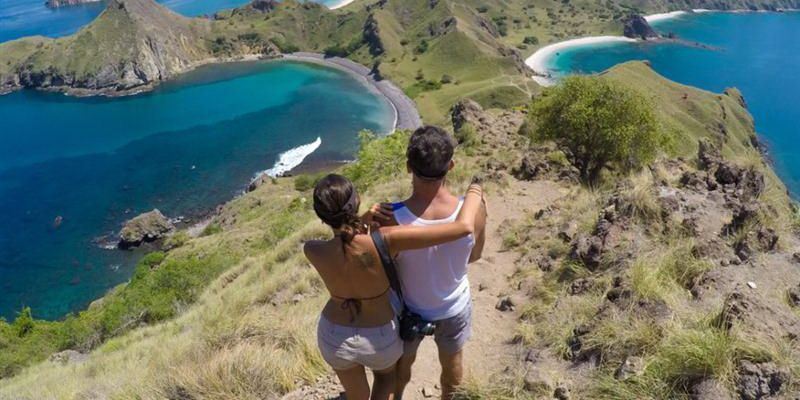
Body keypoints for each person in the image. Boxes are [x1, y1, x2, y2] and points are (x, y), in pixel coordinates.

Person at [304, 173, 485, 400]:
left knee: (356, 396)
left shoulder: (312, 250)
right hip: (378, 334)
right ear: (357, 200)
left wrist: (359, 222)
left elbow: (345, 243)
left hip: (333, 333)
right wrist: (475, 190)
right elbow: (462, 227)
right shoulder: (386, 239)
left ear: (321, 216)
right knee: (385, 380)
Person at [368, 126, 487, 400]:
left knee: (401, 368)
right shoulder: (472, 210)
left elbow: (376, 268)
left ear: (409, 167)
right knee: (453, 365)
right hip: (454, 306)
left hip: (410, 310)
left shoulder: (388, 216)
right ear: (451, 165)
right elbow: (476, 255)